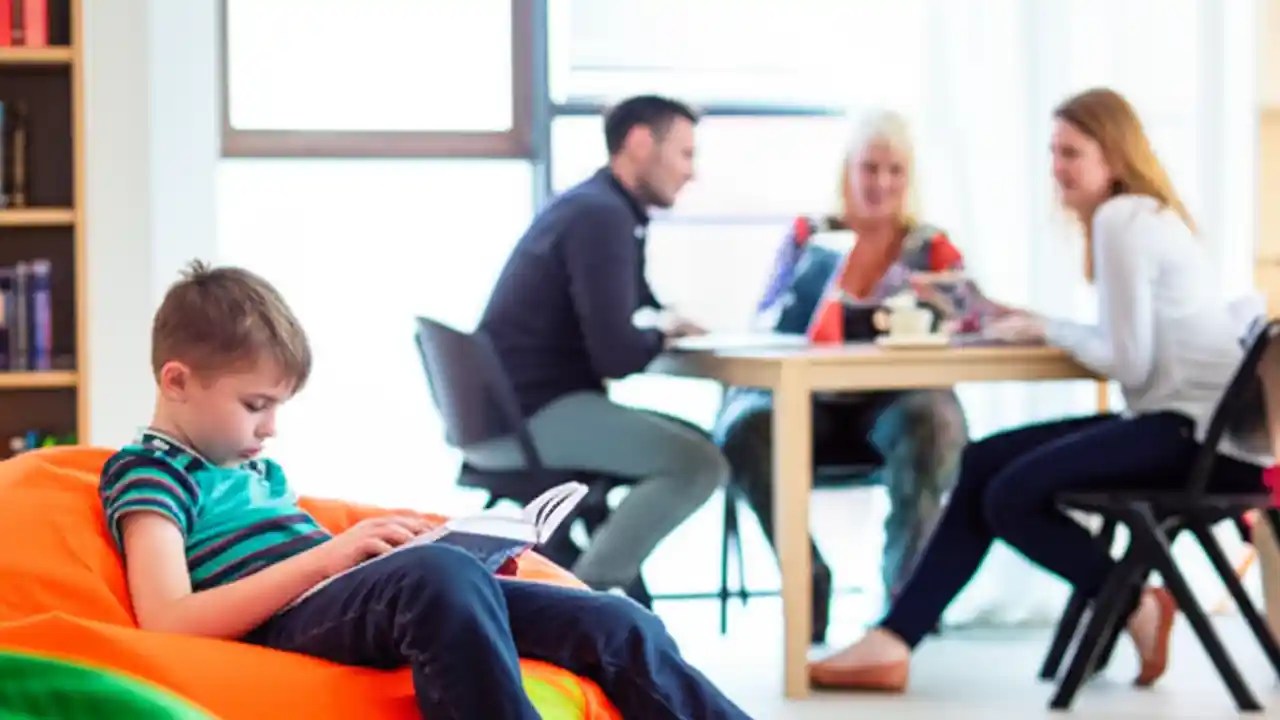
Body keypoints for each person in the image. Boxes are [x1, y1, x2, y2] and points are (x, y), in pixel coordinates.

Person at [99, 261, 751, 720]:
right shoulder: (152, 471)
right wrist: (332, 558)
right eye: (254, 405)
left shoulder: (246, 466)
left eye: (277, 406)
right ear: (177, 381)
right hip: (278, 625)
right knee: (435, 577)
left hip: (333, 597)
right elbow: (169, 620)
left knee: (613, 620)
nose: (270, 428)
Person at [806, 87, 1271, 693]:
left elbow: (1126, 363)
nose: (1057, 168)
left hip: (1200, 441)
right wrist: (1032, 321)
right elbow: (1130, 351)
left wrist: (1046, 327)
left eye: (1072, 153)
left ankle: (1133, 604)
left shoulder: (1120, 218)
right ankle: (893, 641)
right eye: (1054, 152)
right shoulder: (1143, 216)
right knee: (981, 461)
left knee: (1008, 496)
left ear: (1114, 156)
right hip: (1185, 426)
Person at [711, 109, 969, 642]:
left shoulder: (931, 248)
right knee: (744, 428)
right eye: (869, 168)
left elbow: (966, 325)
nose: (881, 183)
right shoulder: (810, 237)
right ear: (846, 172)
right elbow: (767, 320)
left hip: (896, 407)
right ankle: (807, 578)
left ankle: (908, 596)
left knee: (935, 422)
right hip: (808, 406)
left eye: (894, 171)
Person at [470, 94, 729, 595]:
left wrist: (658, 327)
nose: (690, 173)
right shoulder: (602, 216)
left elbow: (627, 310)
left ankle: (589, 590)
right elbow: (616, 354)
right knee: (699, 463)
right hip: (537, 414)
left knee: (700, 444)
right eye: (684, 154)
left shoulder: (599, 207)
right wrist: (662, 334)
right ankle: (587, 595)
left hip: (511, 412)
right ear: (638, 143)